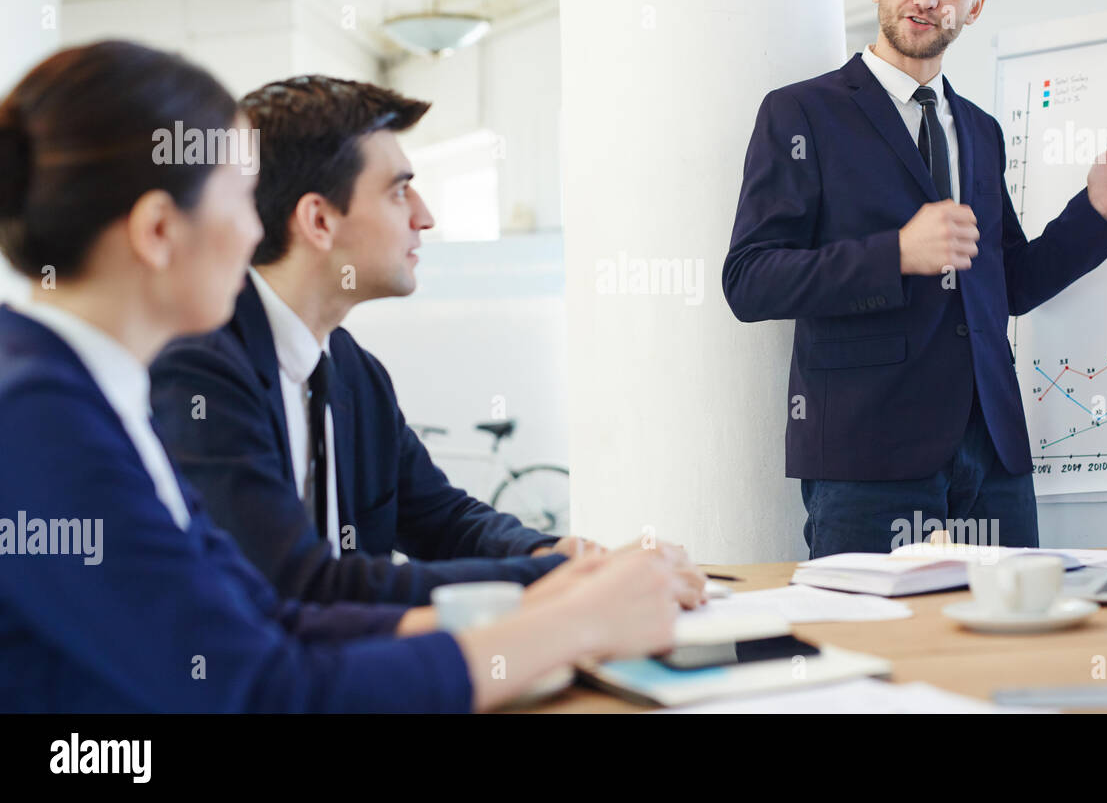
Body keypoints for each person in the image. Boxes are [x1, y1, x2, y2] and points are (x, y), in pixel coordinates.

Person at [0, 40, 679, 711]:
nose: (253, 231)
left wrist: (557, 592)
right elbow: (261, 688)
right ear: (157, 231)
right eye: (240, 198)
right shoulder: (37, 416)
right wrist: (570, 624)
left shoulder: (88, 394)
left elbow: (268, 617)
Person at [147, 73, 705, 608]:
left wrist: (551, 551)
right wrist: (563, 580)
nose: (426, 217)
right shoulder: (200, 368)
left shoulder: (352, 373)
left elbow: (442, 519)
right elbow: (295, 583)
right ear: (319, 221)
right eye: (399, 192)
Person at [722, 0, 1107, 555]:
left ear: (975, 4)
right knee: (874, 649)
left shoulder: (980, 129)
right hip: (868, 459)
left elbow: (1004, 284)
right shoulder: (801, 113)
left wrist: (1095, 210)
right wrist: (894, 254)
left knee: (1012, 647)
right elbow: (749, 280)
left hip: (992, 453)